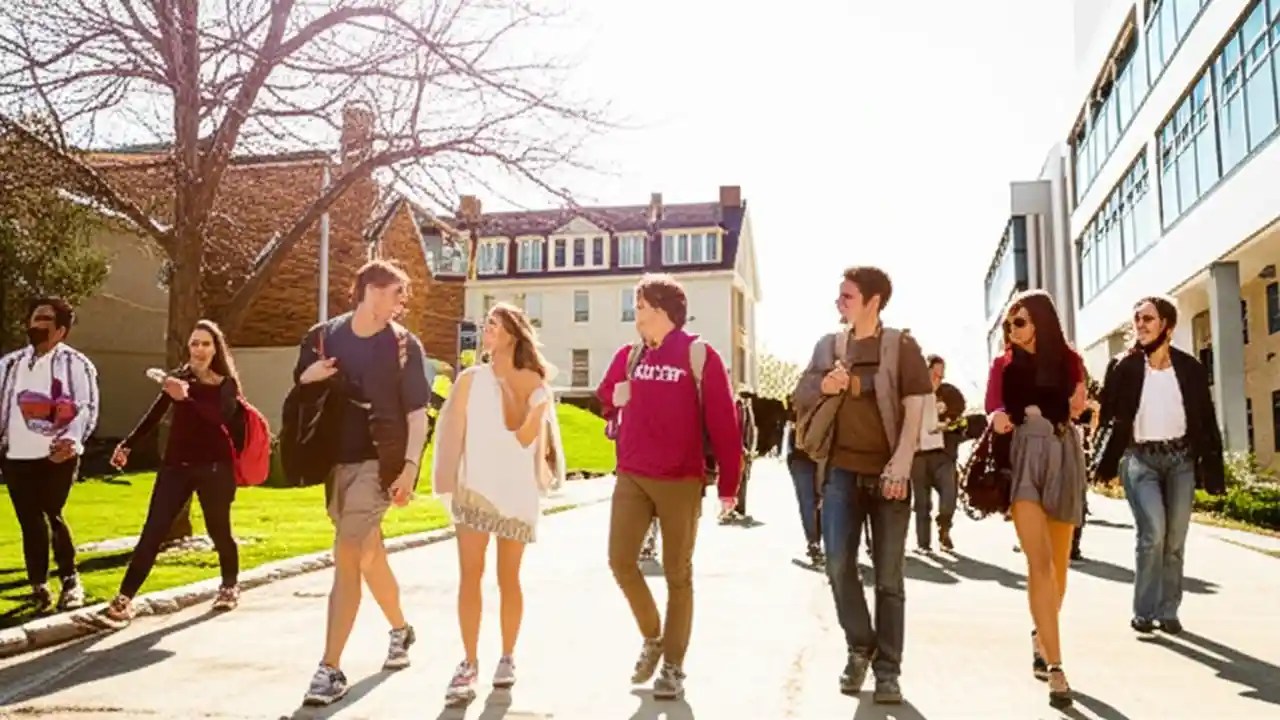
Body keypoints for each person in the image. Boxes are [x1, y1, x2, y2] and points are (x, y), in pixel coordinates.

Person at [597, 273, 742, 701]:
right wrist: (615, 397)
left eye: (640, 306)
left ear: (661, 311)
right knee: (621, 560)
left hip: (680, 479)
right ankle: (653, 637)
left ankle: (674, 667)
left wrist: (728, 485)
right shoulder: (630, 355)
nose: (635, 314)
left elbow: (724, 424)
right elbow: (606, 394)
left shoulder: (699, 355)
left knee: (678, 574)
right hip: (633, 474)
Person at [792, 266, 932, 704]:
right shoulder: (828, 346)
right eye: (840, 296)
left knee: (889, 577)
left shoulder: (902, 347)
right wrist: (824, 384)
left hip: (890, 473)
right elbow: (800, 396)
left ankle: (888, 671)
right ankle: (860, 645)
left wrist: (901, 467)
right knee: (837, 565)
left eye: (848, 296)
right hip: (841, 474)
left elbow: (917, 410)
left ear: (874, 302)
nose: (840, 303)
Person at [297, 259, 432, 707]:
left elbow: (417, 411)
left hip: (380, 460)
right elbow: (300, 385)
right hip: (334, 461)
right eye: (397, 293)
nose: (402, 302)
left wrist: (411, 468)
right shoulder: (323, 336)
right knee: (369, 553)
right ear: (372, 291)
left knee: (349, 551)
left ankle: (329, 668)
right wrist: (308, 377)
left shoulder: (404, 345)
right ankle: (401, 630)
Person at [430, 303, 565, 706]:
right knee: (469, 575)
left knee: (510, 578)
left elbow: (524, 439)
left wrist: (534, 404)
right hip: (474, 488)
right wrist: (446, 482)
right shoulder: (470, 379)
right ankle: (468, 663)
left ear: (512, 333)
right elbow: (451, 432)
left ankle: (506, 657)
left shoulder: (532, 382)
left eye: (494, 323)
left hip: (515, 491)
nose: (486, 328)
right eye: (486, 323)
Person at [94, 320, 247, 625]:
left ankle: (229, 585)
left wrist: (187, 397)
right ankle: (123, 602)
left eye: (206, 344)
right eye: (194, 343)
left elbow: (219, 417)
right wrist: (127, 445)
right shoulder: (178, 379)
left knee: (219, 531)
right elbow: (155, 414)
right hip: (176, 467)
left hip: (215, 468)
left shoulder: (225, 385)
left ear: (216, 349)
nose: (199, 350)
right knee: (153, 531)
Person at [1095, 296, 1224, 635]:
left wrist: (1213, 470)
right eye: (1136, 318)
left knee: (1175, 539)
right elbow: (1108, 419)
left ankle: (1169, 611)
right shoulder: (1123, 366)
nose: (1140, 324)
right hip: (1141, 461)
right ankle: (1143, 610)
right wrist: (1105, 464)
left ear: (1167, 325)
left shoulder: (1191, 368)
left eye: (1148, 318)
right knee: (1152, 534)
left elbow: (1206, 421)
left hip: (1181, 460)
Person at [986, 289, 1086, 710]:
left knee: (1059, 570)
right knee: (1039, 563)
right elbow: (992, 405)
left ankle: (1039, 635)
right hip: (1024, 458)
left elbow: (1079, 407)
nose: (1013, 330)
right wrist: (999, 417)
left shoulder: (1070, 360)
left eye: (1020, 322)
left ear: (1041, 321)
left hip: (1064, 456)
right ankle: (1057, 667)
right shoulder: (1003, 365)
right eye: (1009, 324)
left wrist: (1079, 400)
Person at [0, 297, 98, 613]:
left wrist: (71, 440)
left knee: (51, 514)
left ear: (61, 331)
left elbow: (86, 407)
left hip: (57, 456)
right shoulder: (9, 365)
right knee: (29, 521)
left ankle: (71, 582)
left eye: (45, 319)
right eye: (34, 318)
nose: (36, 324)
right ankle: (39, 587)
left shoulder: (76, 364)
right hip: (16, 456)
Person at [910, 355, 965, 552]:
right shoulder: (912, 394)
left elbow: (959, 410)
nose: (937, 380)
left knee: (949, 496)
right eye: (934, 375)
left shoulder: (949, 393)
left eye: (940, 376)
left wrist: (949, 419)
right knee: (922, 502)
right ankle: (923, 543)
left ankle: (944, 527)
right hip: (918, 454)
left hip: (942, 454)